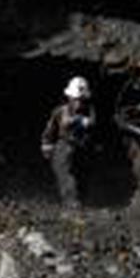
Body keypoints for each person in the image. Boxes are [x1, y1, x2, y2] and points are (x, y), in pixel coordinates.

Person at [41, 76, 96, 207]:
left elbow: (93, 127)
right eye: (76, 99)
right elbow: (50, 130)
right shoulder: (60, 111)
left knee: (82, 175)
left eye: (81, 100)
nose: (79, 103)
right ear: (70, 98)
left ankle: (81, 200)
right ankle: (71, 201)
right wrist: (46, 145)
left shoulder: (89, 111)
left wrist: (84, 123)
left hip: (82, 147)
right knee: (66, 175)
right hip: (64, 146)